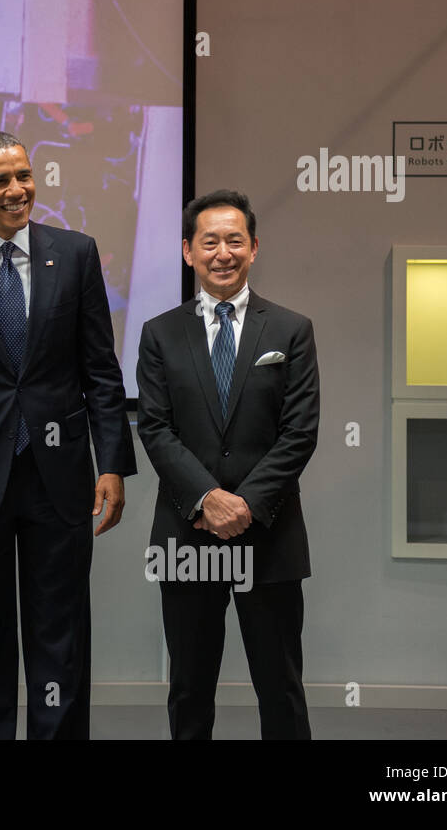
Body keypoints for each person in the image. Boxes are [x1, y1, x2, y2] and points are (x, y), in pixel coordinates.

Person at [0, 131, 137, 740]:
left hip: (58, 478)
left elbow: (100, 369)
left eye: (24, 176)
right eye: (0, 181)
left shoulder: (76, 254)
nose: (17, 190)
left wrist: (111, 463)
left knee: (58, 634)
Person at [136, 189, 319, 740]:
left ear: (255, 247)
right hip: (187, 533)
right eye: (209, 241)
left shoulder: (290, 329)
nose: (223, 252)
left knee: (280, 686)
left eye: (235, 240)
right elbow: (156, 428)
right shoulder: (160, 332)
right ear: (188, 252)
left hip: (270, 529)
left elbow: (300, 432)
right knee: (189, 688)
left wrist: (244, 504)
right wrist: (208, 498)